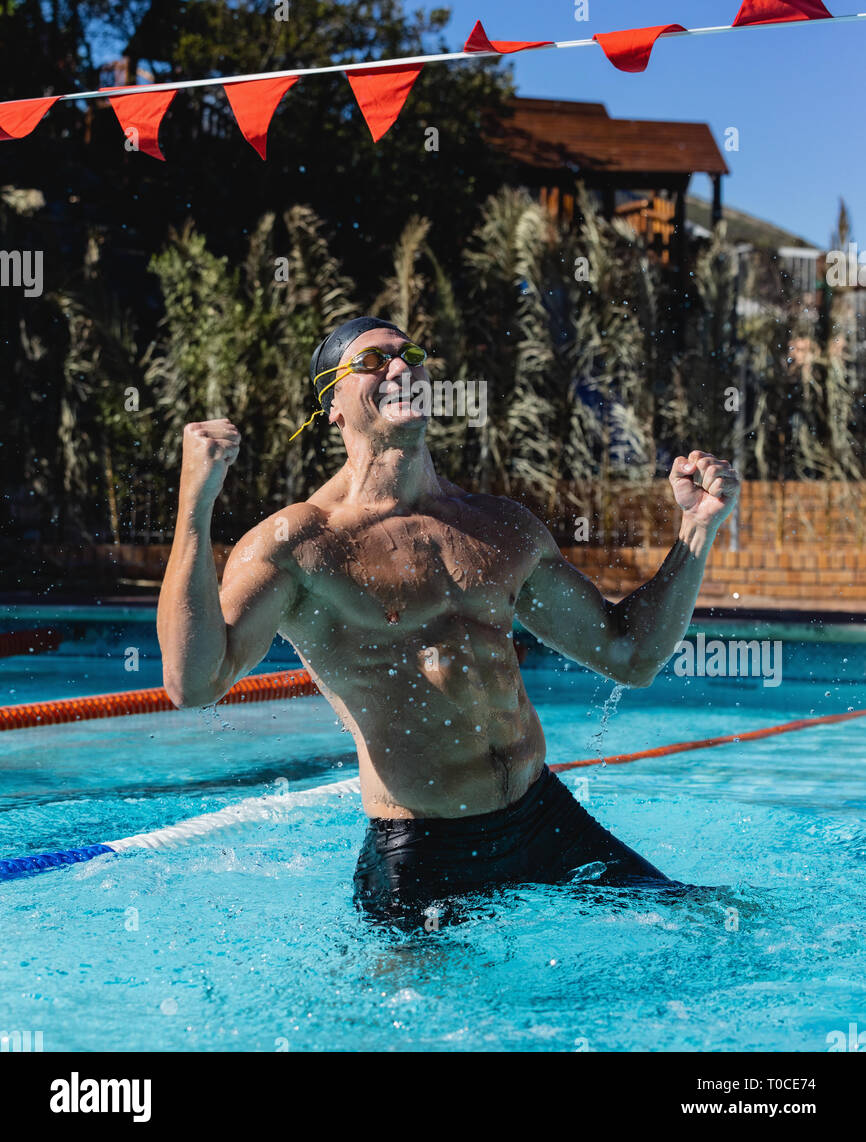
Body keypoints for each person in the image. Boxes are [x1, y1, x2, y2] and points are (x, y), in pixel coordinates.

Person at [157, 316, 740, 927]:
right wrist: (194, 504)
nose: (400, 368)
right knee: (425, 1019)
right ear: (331, 406)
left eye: (410, 355)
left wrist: (696, 531)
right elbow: (193, 683)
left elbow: (631, 656)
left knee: (722, 923)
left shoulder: (500, 527)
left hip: (543, 818)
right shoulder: (301, 544)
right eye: (372, 362)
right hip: (423, 851)